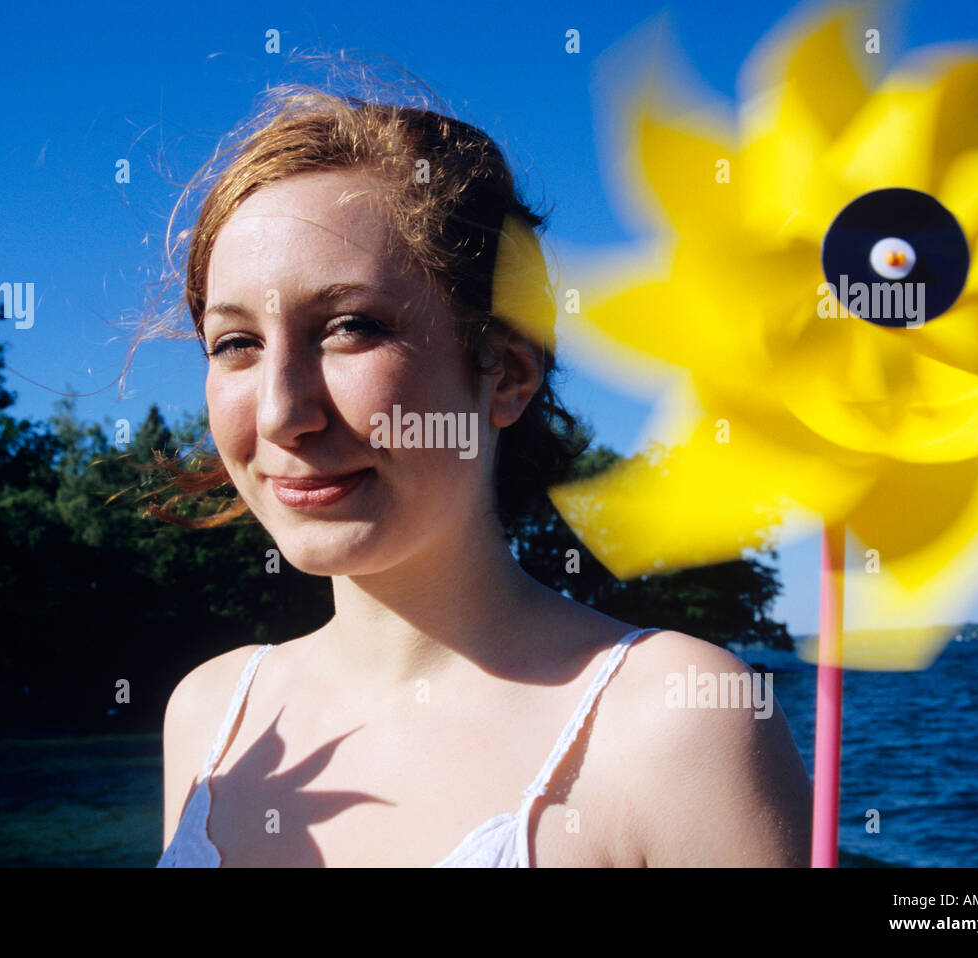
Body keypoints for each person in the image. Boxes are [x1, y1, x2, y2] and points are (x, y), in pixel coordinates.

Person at [144, 80, 812, 867]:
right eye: (235, 344)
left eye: (351, 328)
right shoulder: (212, 714)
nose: (281, 412)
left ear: (506, 372)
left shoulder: (680, 723)